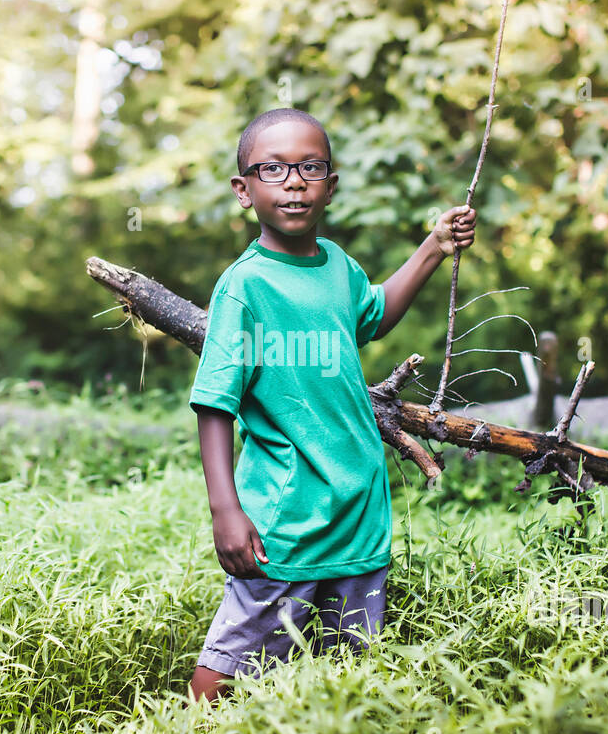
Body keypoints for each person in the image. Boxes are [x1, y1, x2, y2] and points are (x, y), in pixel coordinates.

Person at [187, 107, 475, 704]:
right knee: (232, 664)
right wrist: (225, 510)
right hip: (286, 517)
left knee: (347, 671)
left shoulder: (338, 266)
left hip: (359, 507)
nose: (293, 182)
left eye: (310, 167)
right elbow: (214, 403)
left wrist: (434, 246)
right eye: (273, 169)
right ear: (244, 190)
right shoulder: (246, 286)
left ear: (331, 185)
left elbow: (375, 313)